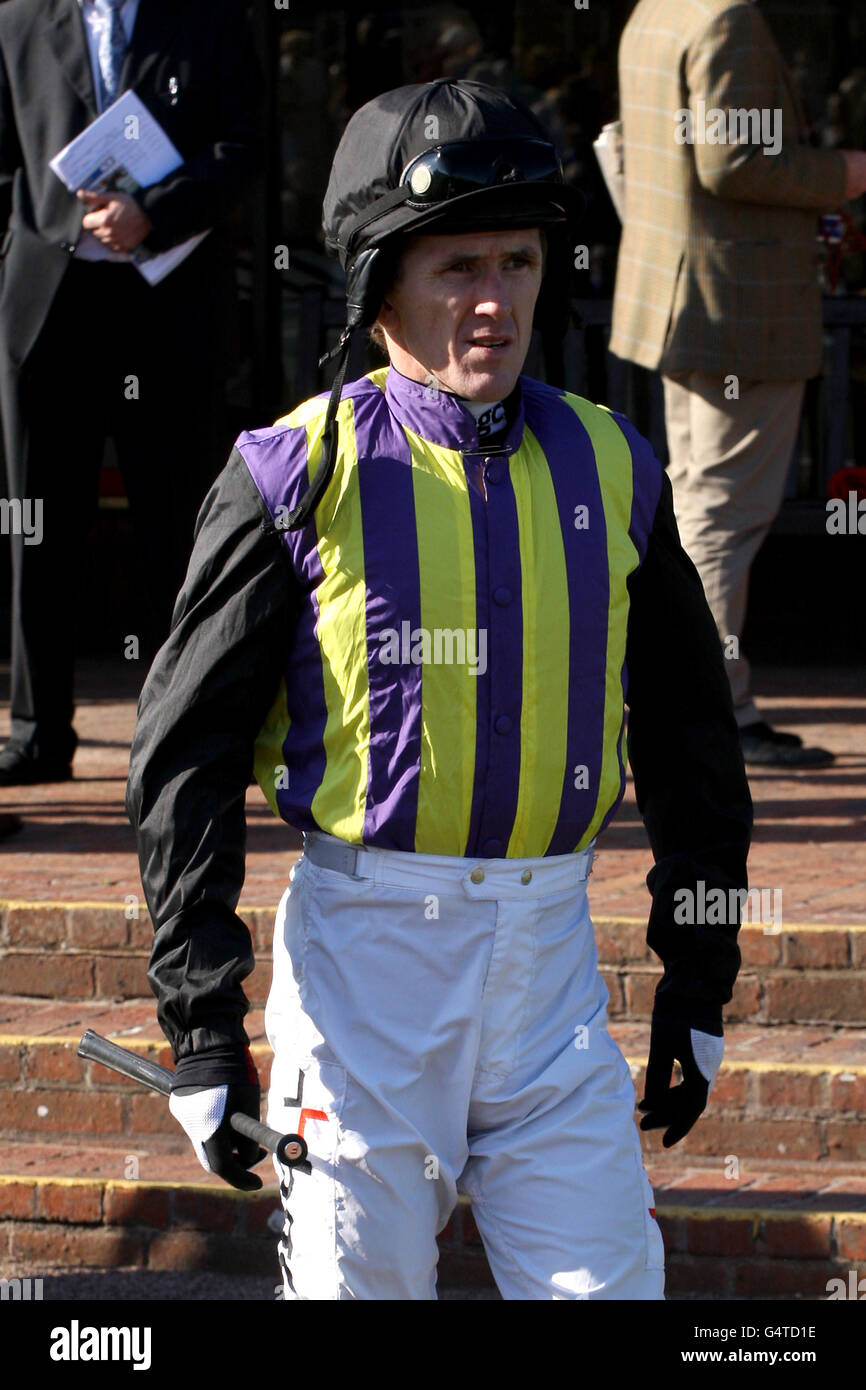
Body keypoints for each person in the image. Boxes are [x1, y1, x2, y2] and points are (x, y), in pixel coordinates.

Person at [126, 78, 753, 1301]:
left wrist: (696, 970)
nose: (494, 301)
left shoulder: (615, 464)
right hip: (362, 981)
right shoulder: (292, 470)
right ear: (377, 293)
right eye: (455, 267)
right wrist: (203, 1024)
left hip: (551, 977)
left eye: (517, 263)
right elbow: (183, 762)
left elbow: (687, 739)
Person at [0, 0, 262, 785]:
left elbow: (243, 145)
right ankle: (37, 731)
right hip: (48, 306)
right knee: (36, 526)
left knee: (178, 526)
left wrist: (158, 212)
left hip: (169, 306)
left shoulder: (208, 18)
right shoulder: (16, 19)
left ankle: (179, 726)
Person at [610, 0, 866, 769]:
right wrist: (845, 173)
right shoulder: (726, 20)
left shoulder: (659, 12)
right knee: (723, 513)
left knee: (698, 505)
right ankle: (714, 701)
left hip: (688, 300)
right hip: (736, 312)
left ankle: (693, 696)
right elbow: (731, 161)